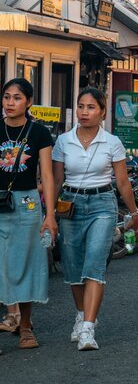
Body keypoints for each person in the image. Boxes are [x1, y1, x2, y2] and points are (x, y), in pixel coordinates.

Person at [53, 88, 138, 351]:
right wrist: (48, 215)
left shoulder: (112, 142)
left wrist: (134, 212)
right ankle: (81, 314)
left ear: (102, 112)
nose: (84, 112)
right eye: (80, 106)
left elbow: (122, 181)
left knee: (94, 265)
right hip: (70, 205)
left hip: (103, 204)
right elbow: (56, 180)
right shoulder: (63, 141)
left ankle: (89, 328)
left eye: (91, 107)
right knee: (74, 267)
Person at [0, 78, 57, 351]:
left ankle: (25, 326)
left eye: (17, 98)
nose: (10, 103)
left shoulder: (39, 133)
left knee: (25, 263)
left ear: (29, 102)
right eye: (7, 97)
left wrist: (50, 214)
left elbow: (47, 176)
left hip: (27, 204)